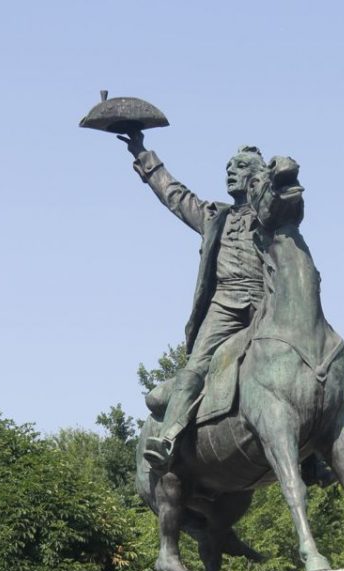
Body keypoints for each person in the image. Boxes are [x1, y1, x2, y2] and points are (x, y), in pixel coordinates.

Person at [120, 131, 266, 471]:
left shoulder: (271, 216)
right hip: (225, 304)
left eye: (240, 166)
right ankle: (169, 437)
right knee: (195, 369)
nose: (230, 171)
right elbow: (175, 195)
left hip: (267, 302)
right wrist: (142, 152)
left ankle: (314, 454)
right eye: (228, 166)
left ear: (257, 177)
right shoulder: (214, 216)